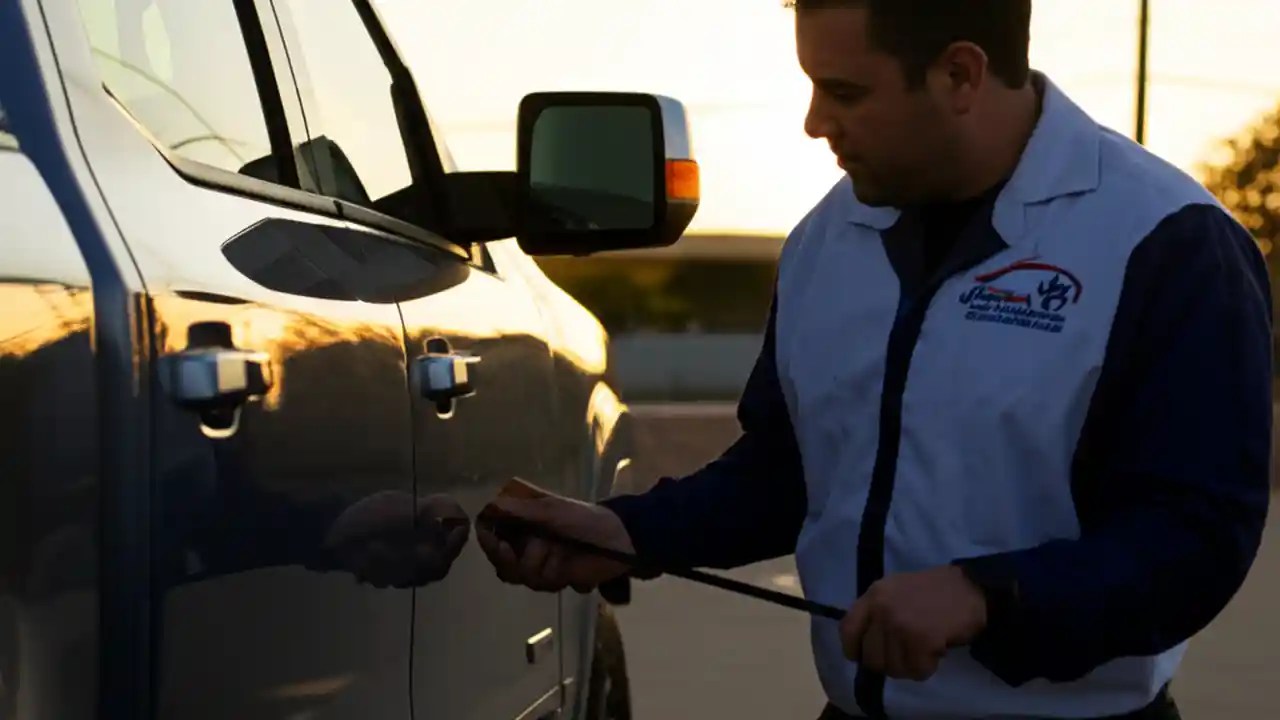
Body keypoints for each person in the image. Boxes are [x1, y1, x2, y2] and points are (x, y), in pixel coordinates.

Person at [477, 1, 1273, 717]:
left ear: (959, 74)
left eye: (844, 92)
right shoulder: (826, 239)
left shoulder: (1166, 242)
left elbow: (1197, 536)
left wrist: (988, 596)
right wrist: (625, 530)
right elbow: (788, 471)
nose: (813, 122)